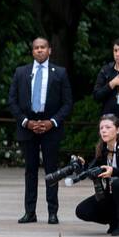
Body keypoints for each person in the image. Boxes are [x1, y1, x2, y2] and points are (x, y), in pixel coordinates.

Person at [7, 36, 73, 224]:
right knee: (30, 171)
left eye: (43, 47)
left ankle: (53, 212)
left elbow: (67, 103)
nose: (39, 50)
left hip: (50, 128)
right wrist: (26, 122)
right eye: (36, 48)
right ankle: (30, 212)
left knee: (52, 171)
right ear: (32, 51)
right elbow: (12, 101)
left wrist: (52, 122)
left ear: (49, 50)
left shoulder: (59, 73)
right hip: (28, 128)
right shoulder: (21, 72)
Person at [74, 114, 119, 236]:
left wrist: (114, 171)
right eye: (101, 128)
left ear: (118, 130)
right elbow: (93, 170)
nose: (104, 130)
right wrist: (82, 166)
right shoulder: (102, 148)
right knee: (82, 210)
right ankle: (115, 222)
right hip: (111, 193)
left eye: (108, 127)